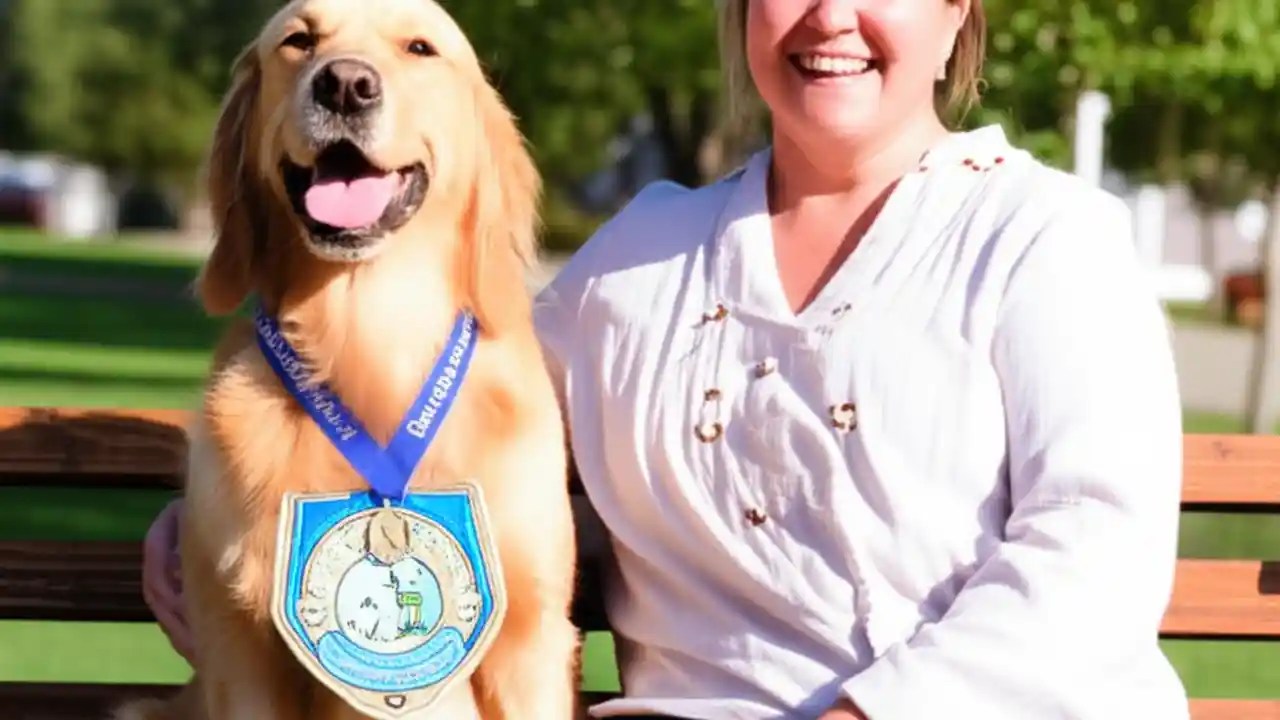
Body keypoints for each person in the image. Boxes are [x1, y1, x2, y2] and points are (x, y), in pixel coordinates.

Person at [141, 0, 1191, 718]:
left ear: (957, 8)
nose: (828, 15)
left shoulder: (1043, 239)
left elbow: (1093, 559)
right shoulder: (636, 261)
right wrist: (239, 533)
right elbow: (439, 434)